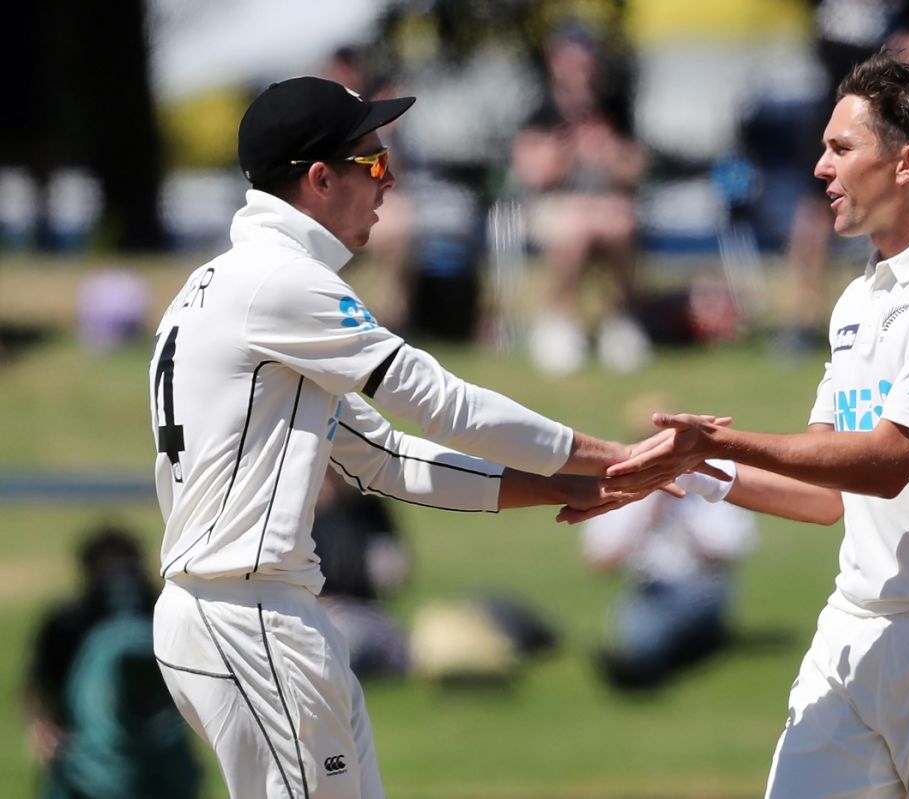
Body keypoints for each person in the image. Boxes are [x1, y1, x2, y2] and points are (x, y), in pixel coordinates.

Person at [148, 76, 660, 799]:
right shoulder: (284, 282)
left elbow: (383, 459)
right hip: (250, 614)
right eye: (377, 164)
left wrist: (567, 484)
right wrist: (616, 455)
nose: (390, 185)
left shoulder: (227, 282)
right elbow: (441, 403)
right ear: (321, 179)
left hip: (243, 613)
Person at [584, 52, 909, 798]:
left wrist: (715, 440)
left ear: (907, 163)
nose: (818, 168)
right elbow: (823, 489)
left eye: (841, 148)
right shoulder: (855, 303)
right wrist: (687, 467)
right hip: (854, 632)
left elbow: (886, 459)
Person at [512, 22, 650, 375]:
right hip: (553, 207)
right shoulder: (539, 110)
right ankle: (556, 322)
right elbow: (534, 173)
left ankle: (620, 321)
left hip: (605, 205)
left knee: (618, 222)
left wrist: (607, 152)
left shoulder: (614, 109)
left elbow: (636, 168)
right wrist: (569, 151)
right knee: (574, 227)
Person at [24, 524, 200, 799]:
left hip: (159, 752)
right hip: (87, 756)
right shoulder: (68, 623)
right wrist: (42, 726)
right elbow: (38, 680)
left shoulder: (166, 614)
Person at [583, 456, 757, 690]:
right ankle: (639, 661)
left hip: (701, 587)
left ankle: (647, 663)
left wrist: (682, 517)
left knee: (659, 628)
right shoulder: (622, 495)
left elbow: (728, 553)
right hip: (649, 589)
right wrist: (646, 518)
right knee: (639, 624)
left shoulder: (711, 485)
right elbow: (600, 563)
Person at [311, 466, 411, 678]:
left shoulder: (368, 508)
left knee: (344, 642)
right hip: (310, 611)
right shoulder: (300, 508)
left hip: (360, 613)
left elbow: (391, 575)